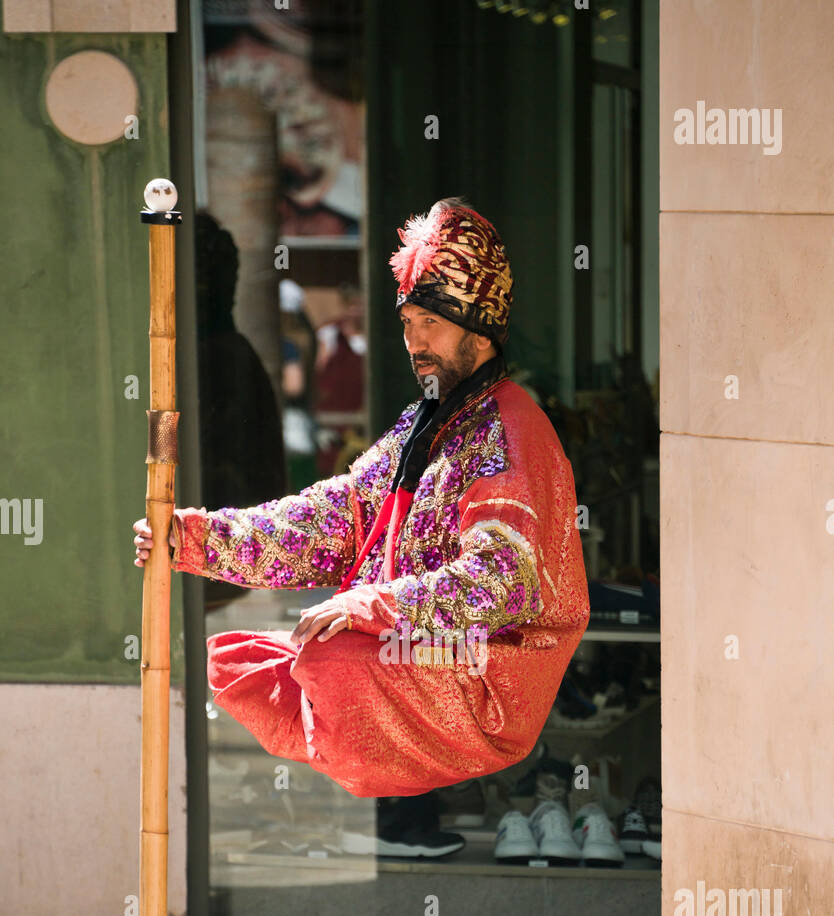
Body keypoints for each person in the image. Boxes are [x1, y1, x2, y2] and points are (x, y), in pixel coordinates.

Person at [134, 197, 590, 817]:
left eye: (432, 323)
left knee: (330, 659)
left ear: (479, 329)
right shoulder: (426, 423)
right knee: (252, 660)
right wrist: (193, 540)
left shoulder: (510, 428)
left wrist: (368, 605)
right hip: (426, 663)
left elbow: (500, 583)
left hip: (490, 687)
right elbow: (331, 520)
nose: (414, 342)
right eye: (408, 323)